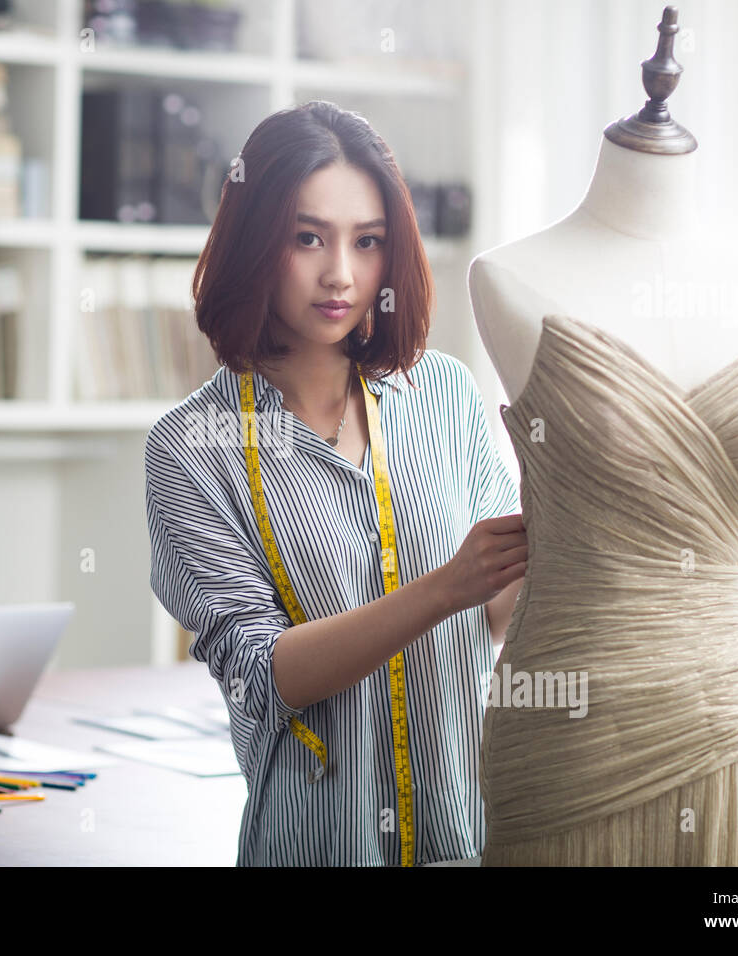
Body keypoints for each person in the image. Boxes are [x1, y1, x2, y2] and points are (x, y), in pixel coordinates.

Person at [144, 100, 526, 866]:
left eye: (368, 242)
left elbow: (499, 613)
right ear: (256, 242)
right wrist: (445, 585)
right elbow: (264, 673)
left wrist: (568, 535)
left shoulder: (444, 395)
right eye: (308, 237)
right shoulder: (190, 449)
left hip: (469, 843)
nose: (341, 274)